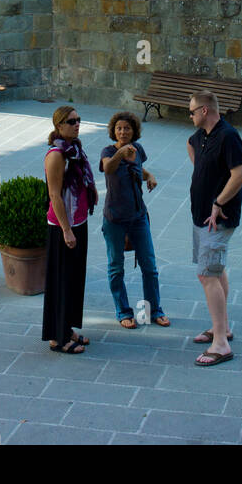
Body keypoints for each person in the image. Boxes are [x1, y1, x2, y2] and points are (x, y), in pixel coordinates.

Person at [187, 90, 242, 367]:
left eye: (191, 111)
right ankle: (222, 327)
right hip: (201, 216)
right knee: (216, 270)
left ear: (205, 111)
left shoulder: (228, 135)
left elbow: (240, 175)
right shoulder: (200, 137)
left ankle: (220, 344)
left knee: (206, 275)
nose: (190, 115)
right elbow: (192, 149)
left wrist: (218, 201)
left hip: (218, 218)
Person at [99, 110, 170, 330]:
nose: (123, 131)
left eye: (127, 128)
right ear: (113, 131)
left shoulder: (138, 149)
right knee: (116, 267)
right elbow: (108, 168)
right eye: (119, 128)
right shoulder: (108, 151)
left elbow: (139, 168)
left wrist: (150, 176)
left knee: (149, 266)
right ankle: (123, 312)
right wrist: (120, 153)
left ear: (134, 131)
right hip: (115, 219)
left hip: (139, 217)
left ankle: (154, 310)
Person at [42, 105, 97, 355]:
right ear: (59, 125)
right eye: (71, 121)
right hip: (63, 227)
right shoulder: (56, 155)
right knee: (62, 281)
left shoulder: (74, 149)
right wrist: (66, 230)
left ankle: (66, 328)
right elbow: (54, 194)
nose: (77, 124)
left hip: (78, 221)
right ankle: (58, 337)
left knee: (74, 280)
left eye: (79, 120)